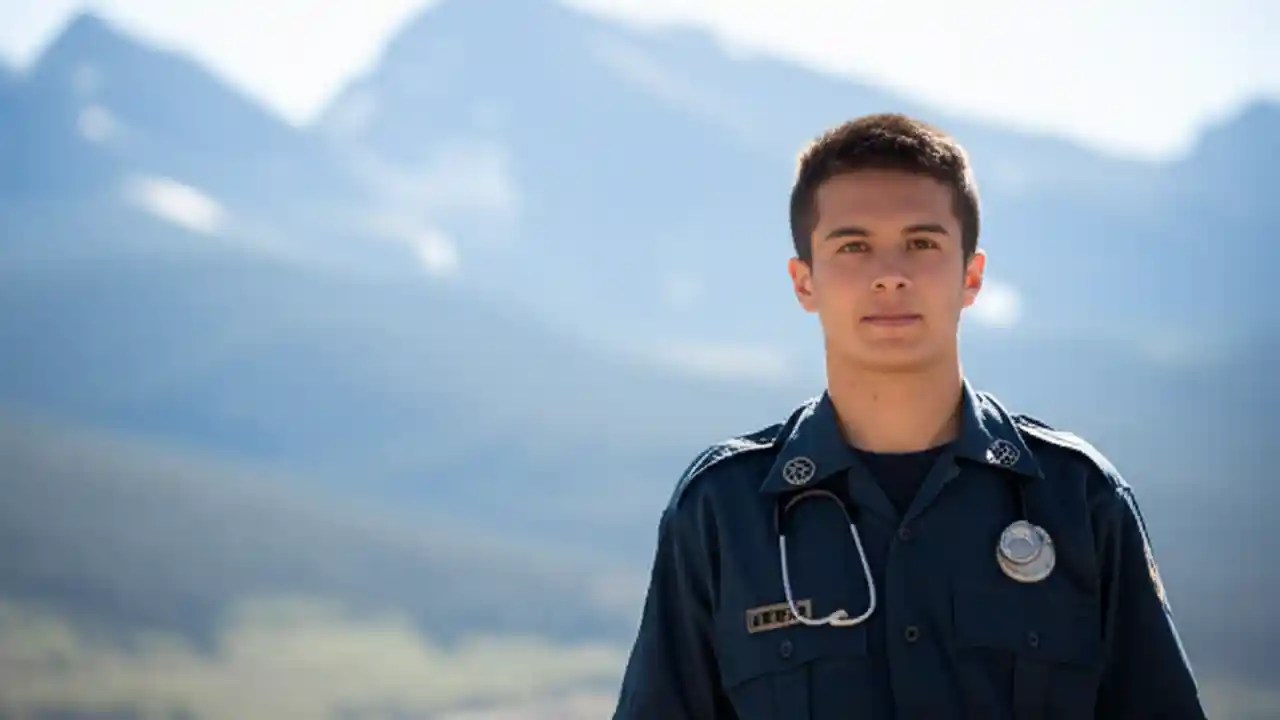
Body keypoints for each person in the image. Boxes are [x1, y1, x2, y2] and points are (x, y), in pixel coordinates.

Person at [611, 113, 1207, 719]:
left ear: (971, 276)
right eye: (853, 246)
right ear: (803, 282)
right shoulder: (724, 513)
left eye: (922, 243)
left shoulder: (1078, 499)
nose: (890, 275)